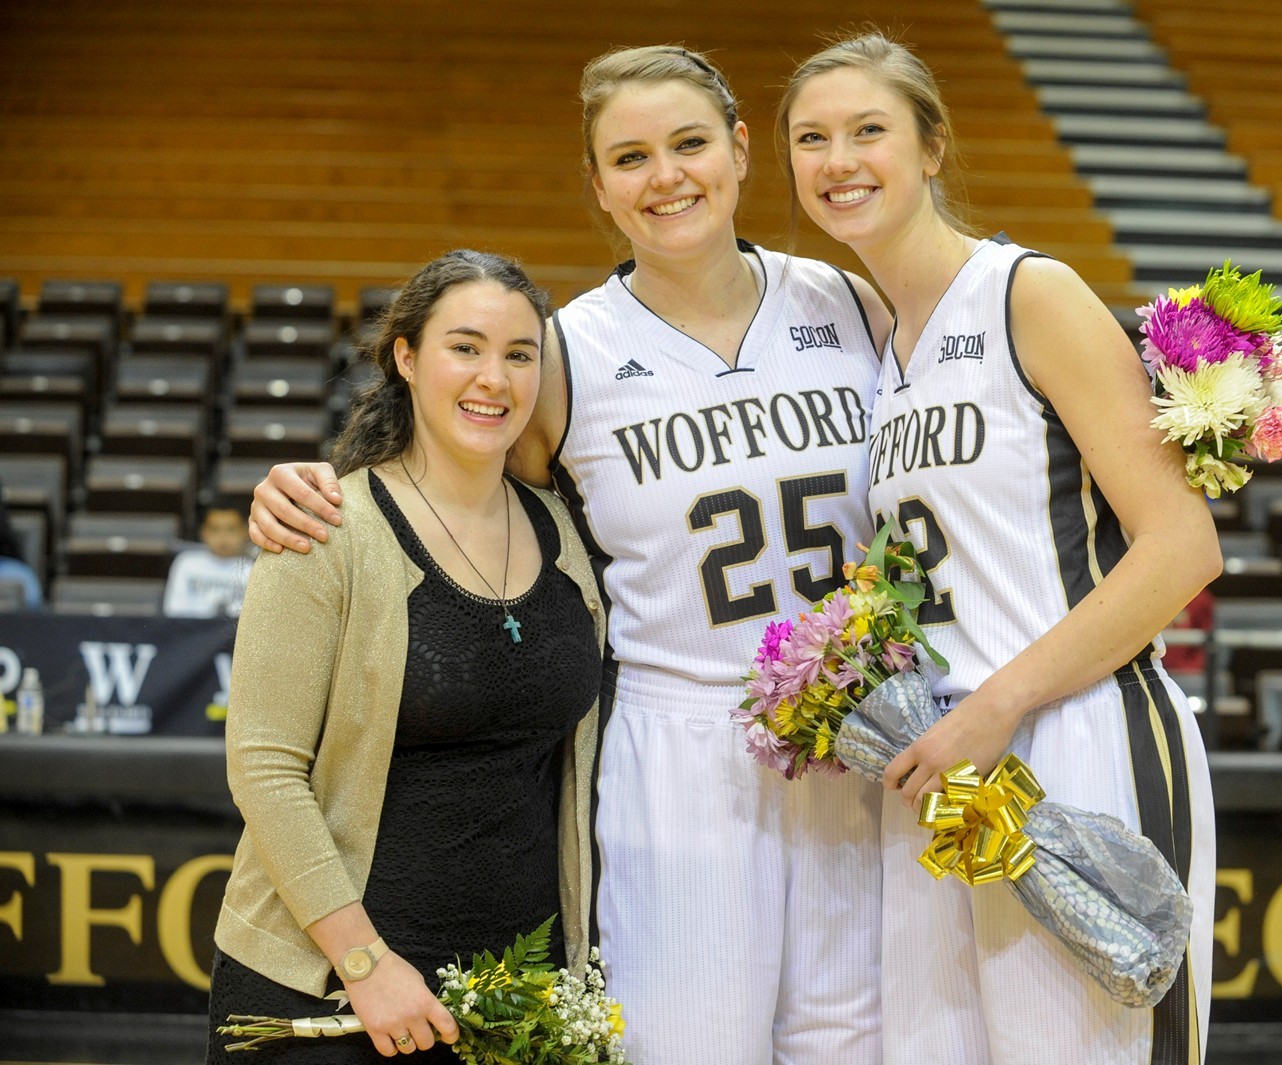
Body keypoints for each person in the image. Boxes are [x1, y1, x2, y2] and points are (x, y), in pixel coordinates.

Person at [247, 47, 891, 1065]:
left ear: (736, 149)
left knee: (853, 1045)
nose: (665, 175)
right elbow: (460, 479)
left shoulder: (852, 303)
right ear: (597, 186)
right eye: (629, 157)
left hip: (861, 739)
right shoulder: (570, 351)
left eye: (688, 143)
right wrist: (315, 483)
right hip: (680, 745)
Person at [778, 34, 1222, 1065]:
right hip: (949, 764)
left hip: (1078, 735)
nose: (837, 160)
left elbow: (1179, 547)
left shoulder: (1029, 293)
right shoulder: (881, 350)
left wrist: (1001, 703)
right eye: (812, 138)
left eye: (867, 131)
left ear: (931, 148)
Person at [207, 250, 605, 1063]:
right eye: (465, 346)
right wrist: (366, 962)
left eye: (518, 354)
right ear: (407, 356)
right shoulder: (323, 527)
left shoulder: (562, 529)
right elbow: (263, 766)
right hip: (330, 993)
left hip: (508, 999)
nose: (493, 377)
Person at [163, 504, 254, 618]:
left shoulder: (253, 569)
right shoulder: (187, 563)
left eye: (231, 529)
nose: (223, 537)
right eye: (215, 529)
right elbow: (173, 610)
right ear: (204, 532)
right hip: (193, 632)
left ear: (245, 532)